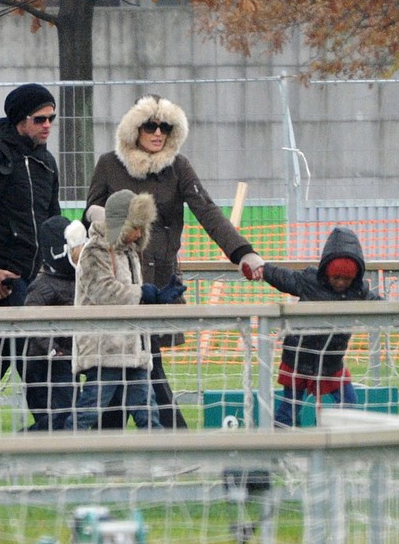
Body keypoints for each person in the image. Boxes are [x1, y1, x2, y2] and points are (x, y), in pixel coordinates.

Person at [84, 93, 265, 429]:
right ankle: (172, 439)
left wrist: (242, 252)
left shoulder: (178, 167)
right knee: (136, 366)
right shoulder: (109, 164)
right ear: (134, 129)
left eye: (165, 127)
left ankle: (109, 444)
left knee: (137, 365)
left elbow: (208, 212)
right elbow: (89, 214)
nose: (158, 133)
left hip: (159, 284)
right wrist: (117, 223)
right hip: (118, 282)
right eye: (150, 126)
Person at [0, 83, 62, 408]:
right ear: (21, 119)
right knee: (29, 364)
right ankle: (50, 430)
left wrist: (56, 269)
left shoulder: (46, 162)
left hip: (38, 280)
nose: (47, 124)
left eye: (51, 118)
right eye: (40, 118)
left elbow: (52, 220)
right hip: (7, 280)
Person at [71, 190, 185, 431]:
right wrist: (143, 293)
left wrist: (157, 298)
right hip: (105, 350)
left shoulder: (129, 252)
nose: (140, 233)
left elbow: (131, 294)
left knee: (148, 412)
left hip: (133, 349)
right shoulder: (94, 251)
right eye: (136, 226)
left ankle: (157, 462)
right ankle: (63, 460)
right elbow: (104, 293)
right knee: (88, 412)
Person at [249, 226, 382, 428]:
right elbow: (284, 278)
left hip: (330, 363)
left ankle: (334, 443)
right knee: (290, 408)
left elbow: (380, 305)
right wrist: (264, 269)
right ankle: (278, 448)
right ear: (326, 272)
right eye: (335, 277)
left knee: (348, 400)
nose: (340, 282)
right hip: (297, 359)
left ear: (354, 277)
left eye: (346, 279)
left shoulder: (359, 292)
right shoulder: (309, 281)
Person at [18, 215, 86, 432]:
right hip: (43, 364)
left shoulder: (79, 281)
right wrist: (51, 350)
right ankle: (18, 445)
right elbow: (33, 321)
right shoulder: (43, 286)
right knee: (61, 417)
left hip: (66, 361)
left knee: (69, 415)